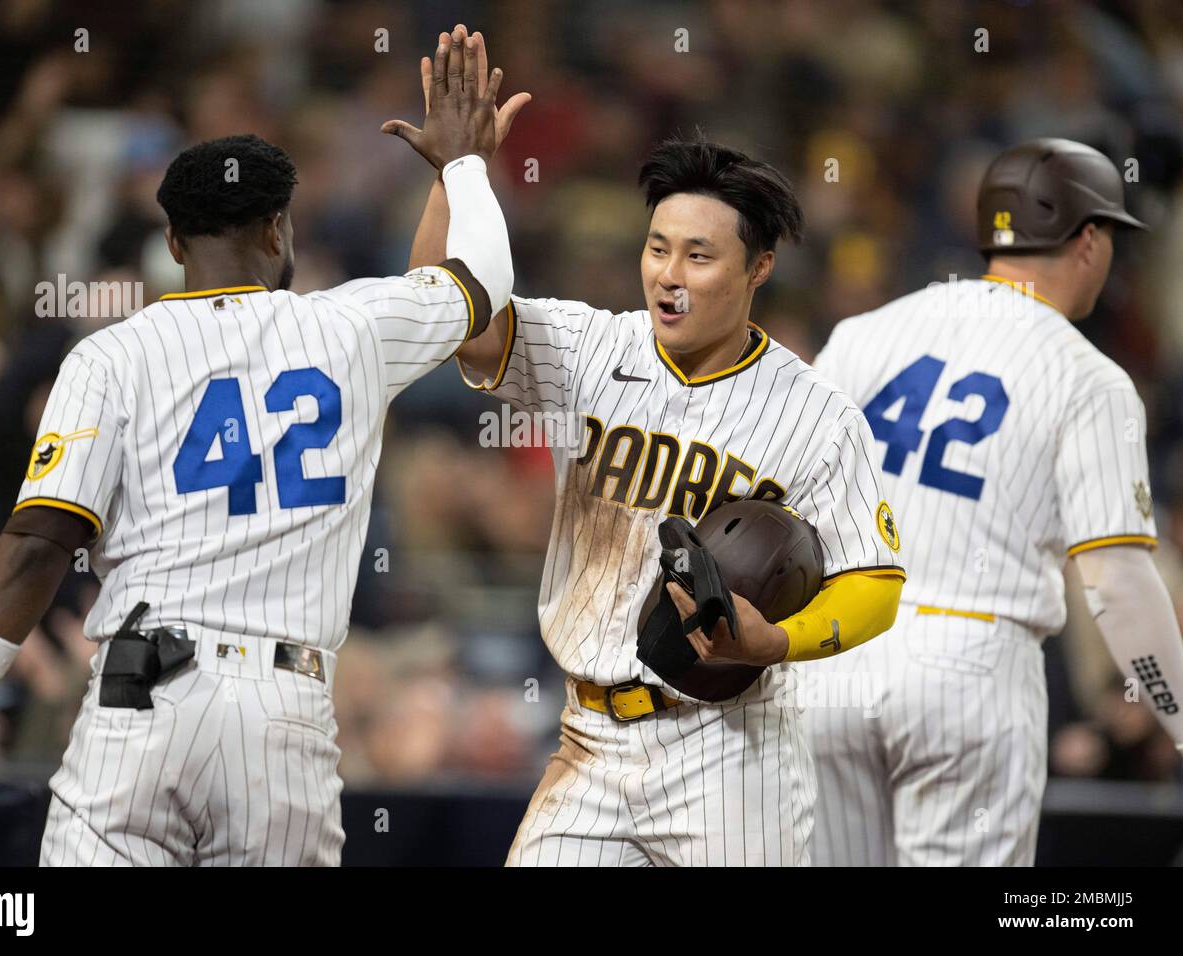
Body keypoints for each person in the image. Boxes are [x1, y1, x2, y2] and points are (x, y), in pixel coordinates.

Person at [0, 33, 513, 866]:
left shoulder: (109, 354)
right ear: (279, 229)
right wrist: (464, 166)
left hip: (139, 694)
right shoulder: (353, 327)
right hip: (281, 710)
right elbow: (485, 278)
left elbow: (33, 547)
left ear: (177, 244)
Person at [392, 26, 904, 866]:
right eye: (657, 247)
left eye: (699, 256)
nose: (668, 272)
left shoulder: (815, 412)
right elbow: (442, 318)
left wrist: (777, 641)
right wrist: (457, 174)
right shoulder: (593, 345)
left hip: (730, 752)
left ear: (759, 267)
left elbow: (875, 585)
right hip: (588, 741)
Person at [803, 137, 1183, 866]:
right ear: (1089, 240)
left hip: (835, 659)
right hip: (973, 671)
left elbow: (785, 501)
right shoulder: (1090, 380)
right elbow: (1117, 582)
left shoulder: (862, 334)